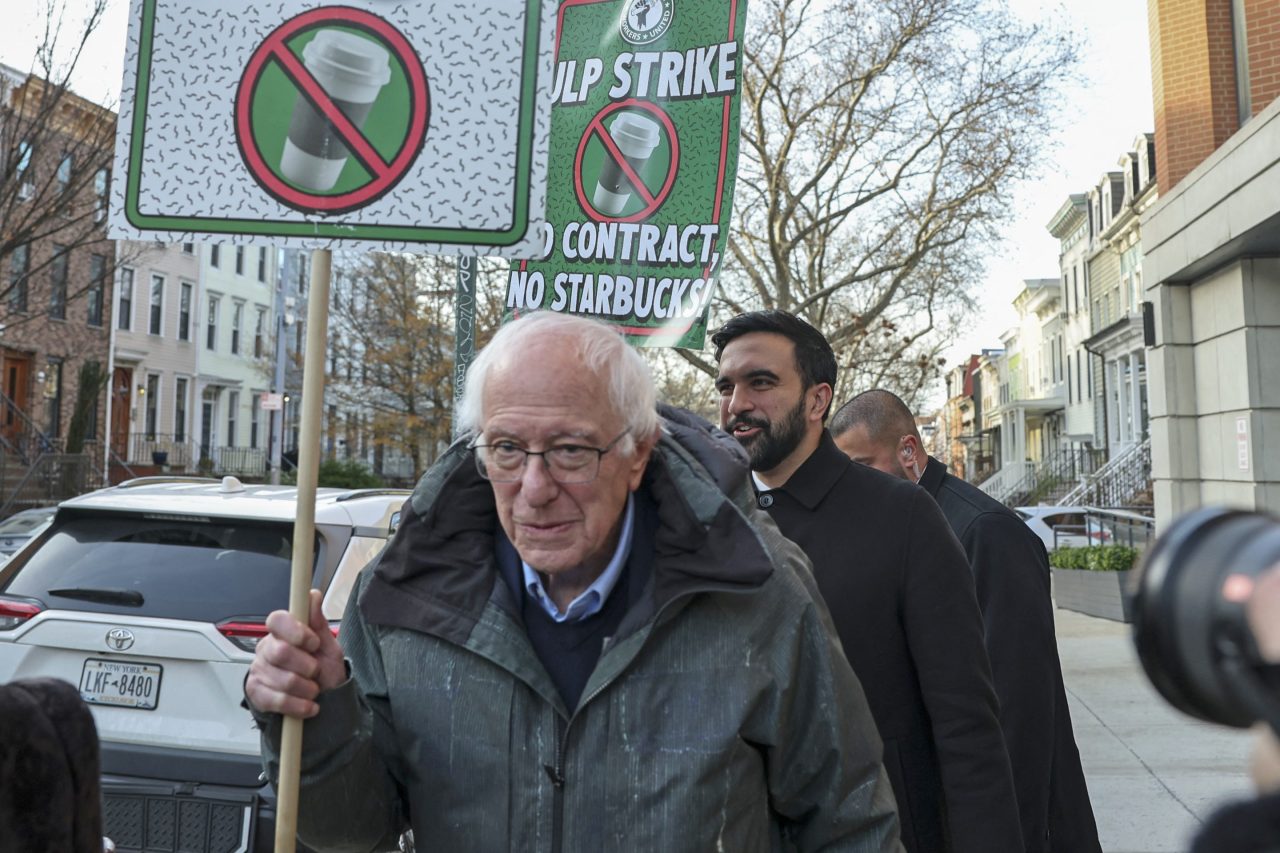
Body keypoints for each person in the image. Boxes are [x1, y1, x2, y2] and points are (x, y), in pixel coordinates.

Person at [245, 311, 902, 852]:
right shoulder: (405, 595)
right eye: (506, 449)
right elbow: (349, 830)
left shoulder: (755, 590)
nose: (535, 490)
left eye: (570, 451)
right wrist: (316, 713)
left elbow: (851, 825)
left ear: (636, 452)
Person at [711, 310, 1021, 853]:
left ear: (817, 400)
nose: (737, 404)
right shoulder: (707, 522)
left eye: (761, 382)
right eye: (727, 386)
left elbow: (966, 723)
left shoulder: (904, 517)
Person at [830, 389, 1102, 853]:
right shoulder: (901, 528)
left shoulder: (983, 531)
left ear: (909, 451)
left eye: (861, 465)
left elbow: (1019, 706)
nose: (852, 485)